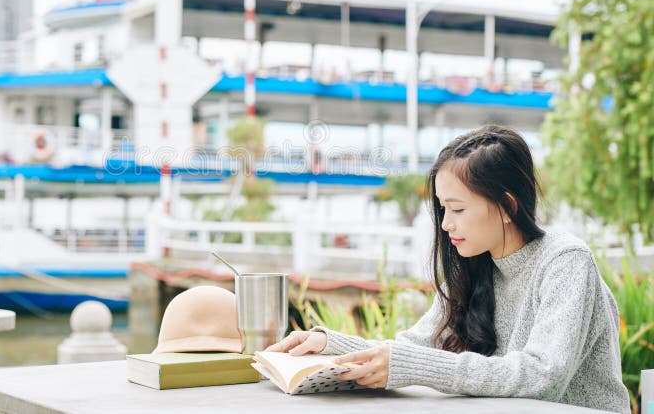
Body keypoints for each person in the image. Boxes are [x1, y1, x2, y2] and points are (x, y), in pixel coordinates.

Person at [266, 125, 630, 414]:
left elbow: (542, 376)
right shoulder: (475, 265)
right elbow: (412, 348)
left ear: (506, 206)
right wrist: (330, 344)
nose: (445, 225)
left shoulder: (565, 261)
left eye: (457, 210)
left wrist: (417, 367)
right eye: (442, 209)